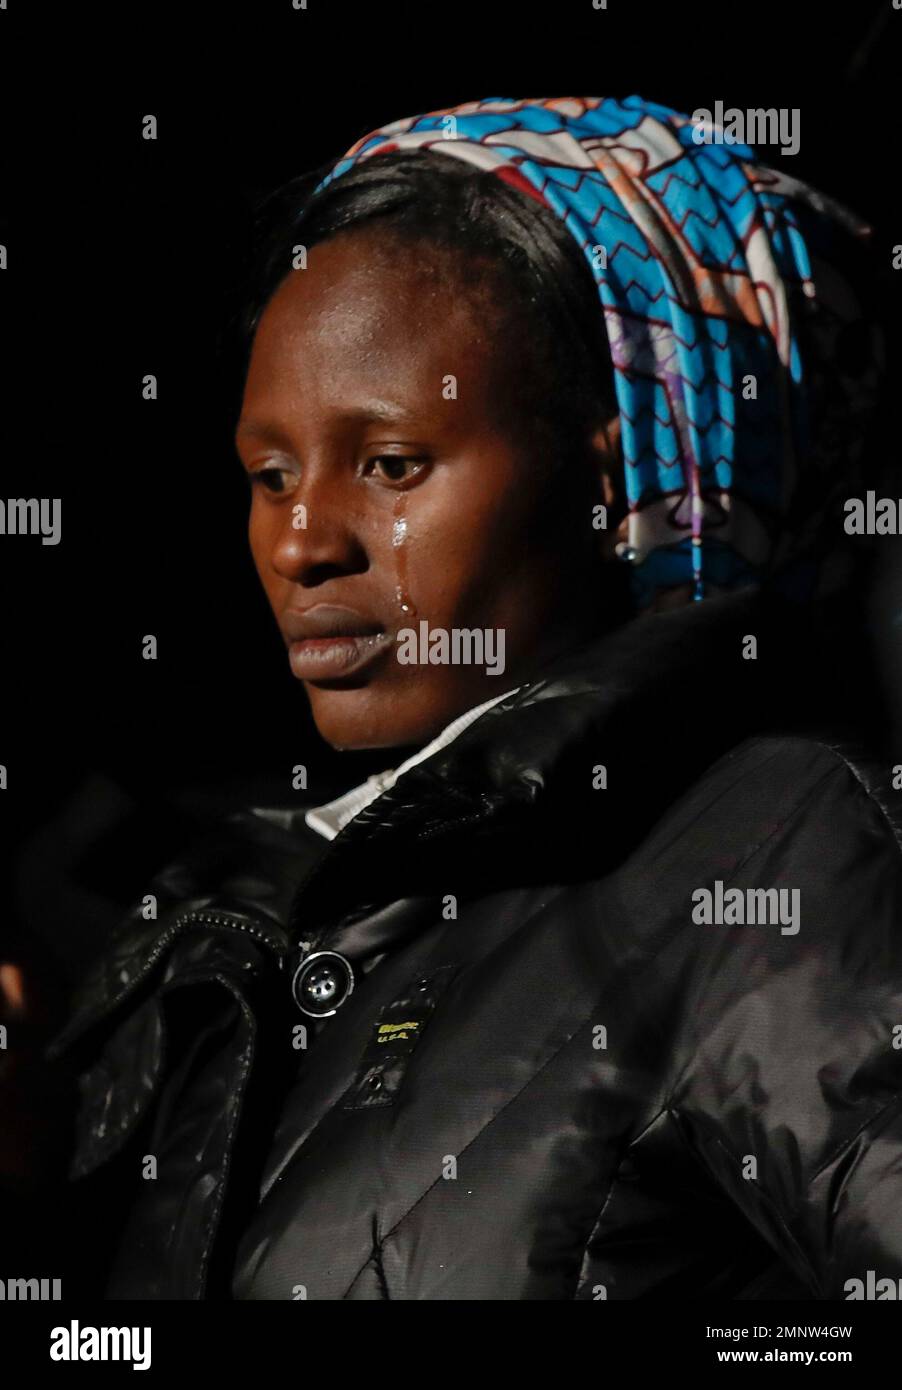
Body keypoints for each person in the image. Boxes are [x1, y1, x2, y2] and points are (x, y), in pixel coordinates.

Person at [38, 95, 902, 1299]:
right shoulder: (288, 912)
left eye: (389, 464)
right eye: (268, 473)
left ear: (628, 470)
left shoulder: (790, 852)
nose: (299, 544)